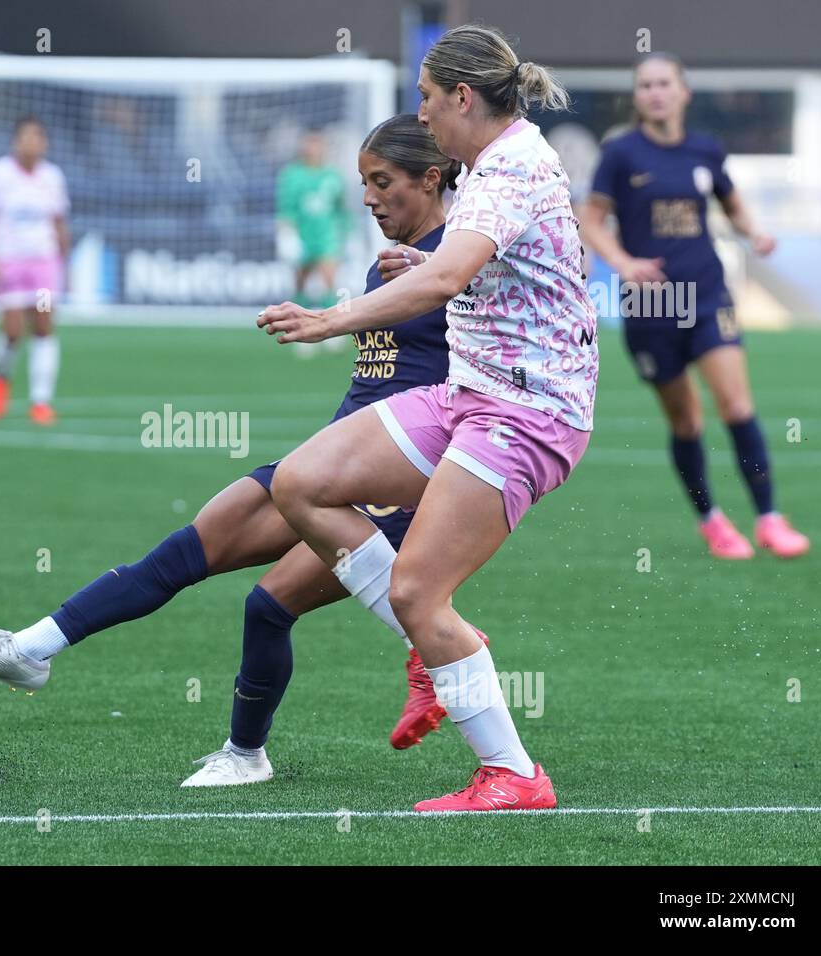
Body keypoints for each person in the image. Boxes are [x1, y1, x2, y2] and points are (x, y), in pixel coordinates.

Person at [0, 117, 485, 779]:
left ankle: (253, 751)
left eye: (382, 183)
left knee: (268, 605)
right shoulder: (394, 267)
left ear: (432, 178)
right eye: (363, 184)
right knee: (184, 551)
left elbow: (498, 336)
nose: (369, 199)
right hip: (326, 465)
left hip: (393, 492)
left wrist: (437, 276)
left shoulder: (462, 262)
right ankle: (32, 648)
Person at [254, 24, 598, 812]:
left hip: (526, 413)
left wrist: (331, 319)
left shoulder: (511, 165)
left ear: (463, 97)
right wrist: (437, 270)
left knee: (417, 591)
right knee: (302, 482)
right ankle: (436, 646)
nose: (422, 114)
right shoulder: (490, 163)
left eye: (426, 98)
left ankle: (513, 774)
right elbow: (493, 272)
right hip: (469, 394)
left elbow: (447, 279)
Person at [581, 53, 809, 559]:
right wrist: (622, 262)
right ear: (637, 96)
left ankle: (770, 518)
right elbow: (592, 221)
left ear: (684, 92)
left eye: (664, 83)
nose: (655, 92)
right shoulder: (621, 154)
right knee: (686, 422)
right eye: (645, 85)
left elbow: (731, 203)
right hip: (652, 305)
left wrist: (756, 232)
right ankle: (712, 521)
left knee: (737, 406)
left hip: (707, 296)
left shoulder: (706, 150)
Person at [0, 117, 71, 426]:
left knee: (43, 326)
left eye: (38, 137)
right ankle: (1, 379)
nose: (32, 143)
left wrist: (62, 259)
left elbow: (58, 221)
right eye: (26, 137)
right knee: (13, 330)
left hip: (43, 263)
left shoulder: (52, 177)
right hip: (9, 261)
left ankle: (41, 401)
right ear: (16, 141)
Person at [275, 130, 349, 325]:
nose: (313, 149)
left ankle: (335, 326)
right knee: (300, 282)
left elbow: (341, 208)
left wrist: (350, 233)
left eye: (317, 144)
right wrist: (286, 234)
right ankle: (296, 323)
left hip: (327, 235)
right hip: (303, 234)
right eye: (310, 144)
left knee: (329, 280)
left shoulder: (333, 174)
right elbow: (285, 208)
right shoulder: (292, 174)